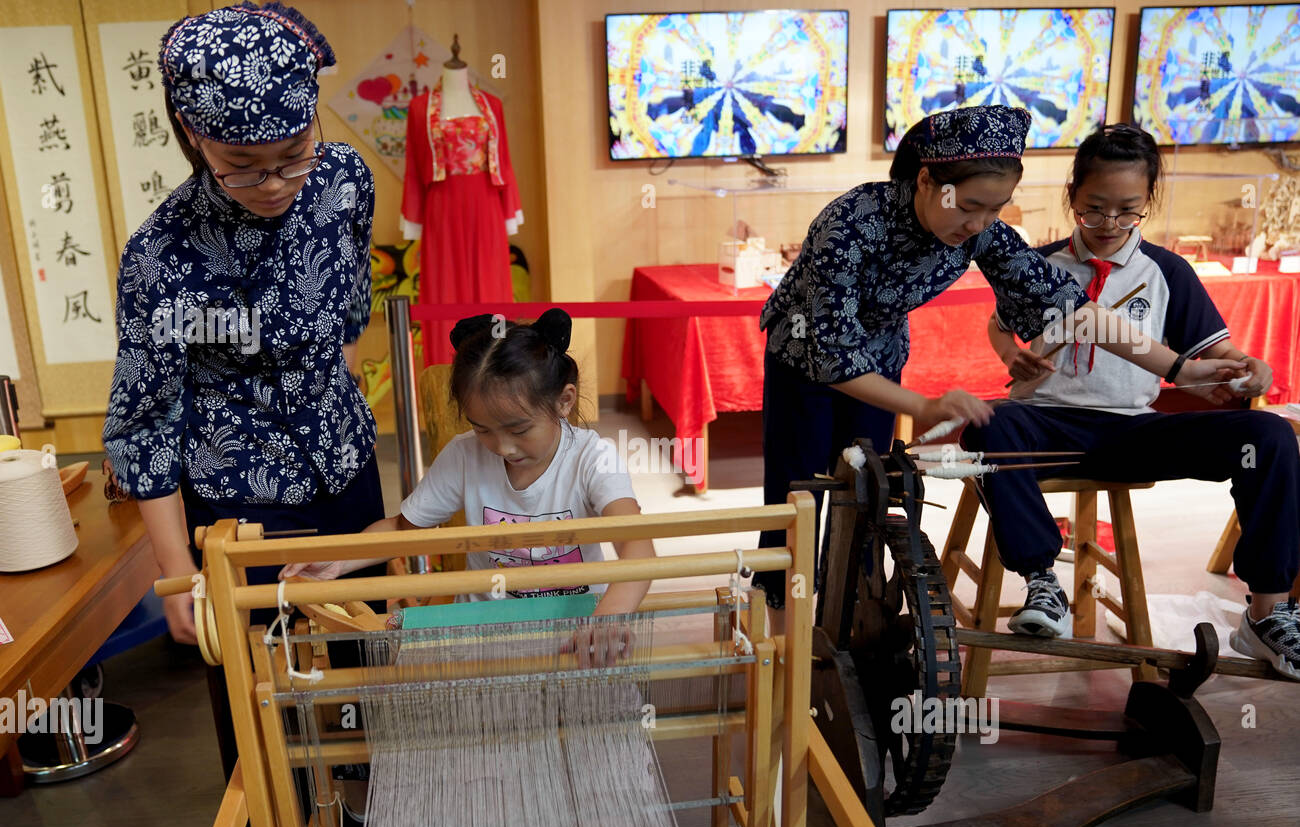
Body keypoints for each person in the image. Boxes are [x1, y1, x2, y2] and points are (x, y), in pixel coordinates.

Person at [755, 106, 1235, 623]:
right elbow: (831, 354)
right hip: (806, 359)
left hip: (880, 355)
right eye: (970, 206)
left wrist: (1180, 369)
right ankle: (782, 621)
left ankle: (851, 605)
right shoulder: (851, 223)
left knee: (867, 482)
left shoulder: (982, 230)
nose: (980, 223)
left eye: (996, 208)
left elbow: (1078, 311)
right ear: (926, 181)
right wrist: (925, 404)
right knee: (799, 490)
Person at [101, 3, 385, 827]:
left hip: (343, 463)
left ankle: (374, 802)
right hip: (238, 500)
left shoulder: (343, 182)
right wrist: (179, 570)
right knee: (258, 685)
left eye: (292, 157)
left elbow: (350, 312)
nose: (273, 186)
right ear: (192, 133)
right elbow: (147, 423)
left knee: (363, 643)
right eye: (243, 168)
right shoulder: (161, 258)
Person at [969, 122, 1298, 679]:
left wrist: (1249, 371)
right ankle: (1043, 583)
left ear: (1148, 203)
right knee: (987, 424)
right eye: (1094, 209)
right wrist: (1010, 357)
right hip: (1045, 427)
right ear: (1072, 195)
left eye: (1127, 211)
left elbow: (1214, 356)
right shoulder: (1039, 266)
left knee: (1268, 438)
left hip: (1132, 432)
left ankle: (1266, 615)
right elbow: (998, 326)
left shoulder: (1167, 272)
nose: (1109, 225)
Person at [282, 308, 656, 667]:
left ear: (564, 401)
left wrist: (609, 617)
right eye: (483, 429)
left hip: (576, 631)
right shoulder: (465, 455)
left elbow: (637, 546)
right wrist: (334, 562)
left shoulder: (593, 459)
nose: (503, 447)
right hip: (485, 633)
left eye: (519, 429)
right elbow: (402, 529)